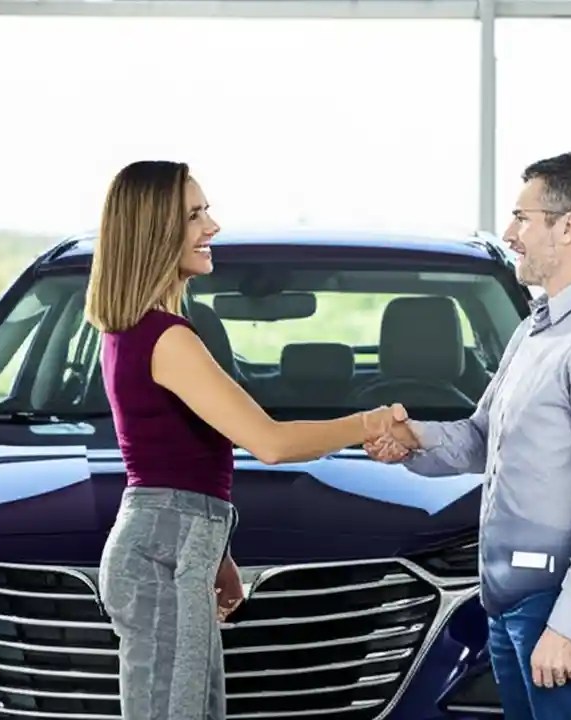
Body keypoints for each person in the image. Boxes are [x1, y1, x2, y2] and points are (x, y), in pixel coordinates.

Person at [86, 160, 409, 720]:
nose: (211, 226)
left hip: (174, 549)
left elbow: (179, 463)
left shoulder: (138, 333)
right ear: (153, 229)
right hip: (164, 555)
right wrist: (372, 422)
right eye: (194, 215)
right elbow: (271, 443)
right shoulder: (166, 339)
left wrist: (215, 553)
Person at [367, 152, 571, 719]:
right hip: (511, 603)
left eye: (522, 218)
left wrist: (569, 626)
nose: (510, 234)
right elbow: (483, 440)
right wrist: (413, 438)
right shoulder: (537, 329)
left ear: (567, 227)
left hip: (558, 605)